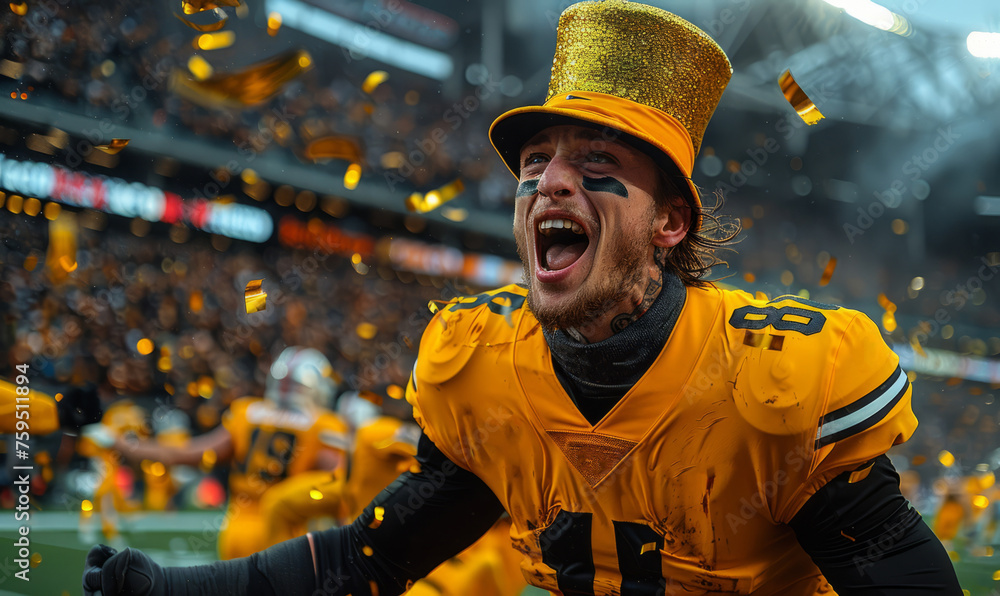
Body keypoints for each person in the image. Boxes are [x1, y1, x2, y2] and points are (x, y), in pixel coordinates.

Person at [83, 1, 962, 594]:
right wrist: (168, 586)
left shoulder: (775, 376)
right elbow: (368, 559)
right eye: (534, 168)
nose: (548, 186)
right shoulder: (486, 370)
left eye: (597, 170)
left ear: (669, 226)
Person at [107, 346, 350, 560]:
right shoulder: (323, 425)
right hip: (286, 534)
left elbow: (190, 453)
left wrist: (126, 446)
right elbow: (339, 487)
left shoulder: (246, 412)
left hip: (235, 530)